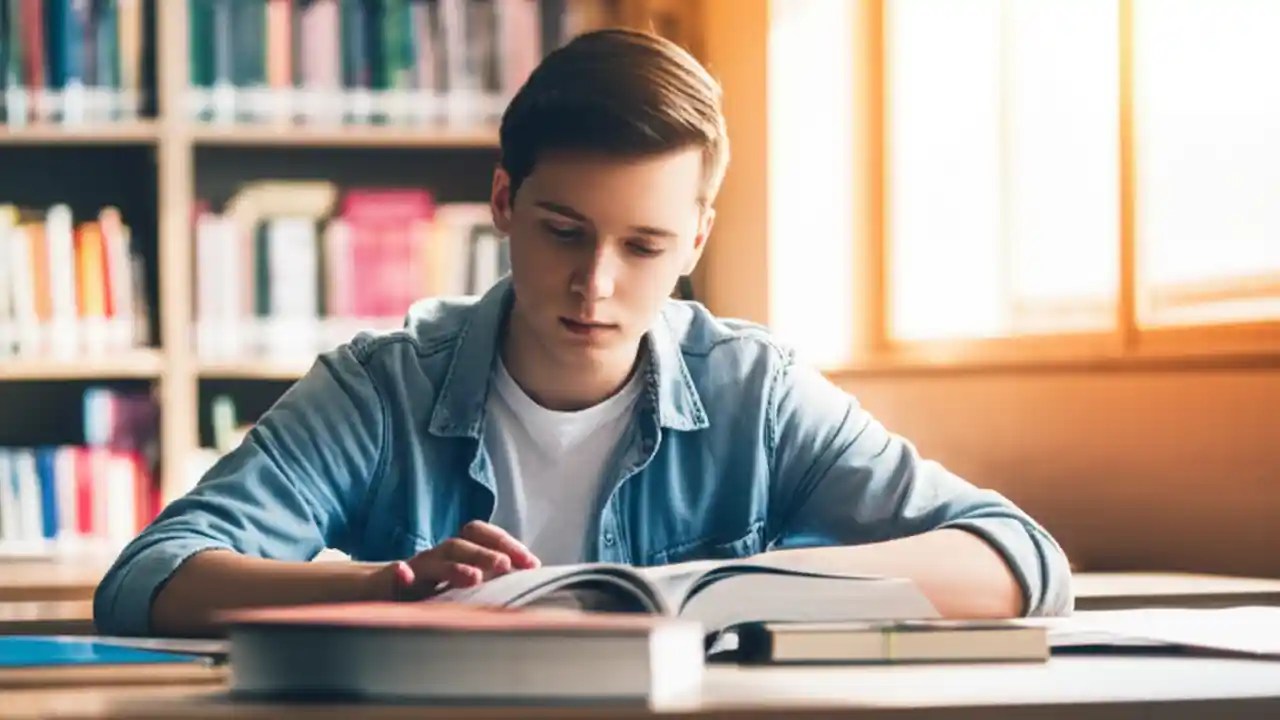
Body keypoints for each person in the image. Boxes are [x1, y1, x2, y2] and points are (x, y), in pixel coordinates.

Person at [94, 29, 1072, 637]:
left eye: (644, 246)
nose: (594, 284)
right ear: (502, 202)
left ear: (695, 237)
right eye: (563, 232)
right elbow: (149, 580)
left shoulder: (754, 394)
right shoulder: (379, 389)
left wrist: (728, 587)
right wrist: (390, 591)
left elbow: (1017, 560)